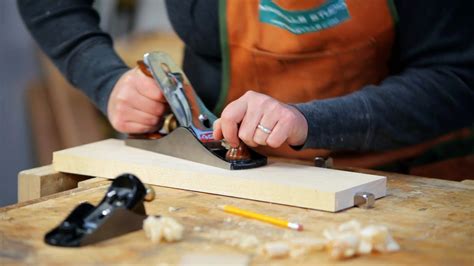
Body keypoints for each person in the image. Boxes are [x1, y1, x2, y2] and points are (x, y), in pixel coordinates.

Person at [18, 0, 474, 177]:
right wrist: (106, 79)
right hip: (233, 179)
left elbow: (458, 75)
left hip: (405, 178)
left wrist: (311, 121)